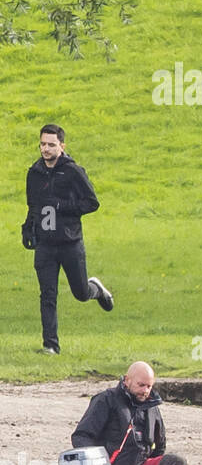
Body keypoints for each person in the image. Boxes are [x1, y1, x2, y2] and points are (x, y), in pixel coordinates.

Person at [23, 124, 113, 355]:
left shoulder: (73, 172)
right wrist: (27, 228)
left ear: (62, 146)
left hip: (70, 242)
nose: (46, 149)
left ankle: (98, 290)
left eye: (51, 144)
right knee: (47, 294)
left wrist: (63, 207)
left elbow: (92, 203)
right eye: (43, 144)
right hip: (45, 244)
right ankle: (50, 345)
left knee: (80, 293)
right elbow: (33, 205)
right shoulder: (34, 173)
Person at [72, 362, 186, 465]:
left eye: (149, 386)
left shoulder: (152, 407)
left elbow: (160, 445)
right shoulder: (105, 400)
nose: (145, 391)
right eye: (141, 385)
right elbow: (81, 436)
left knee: (176, 462)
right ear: (127, 380)